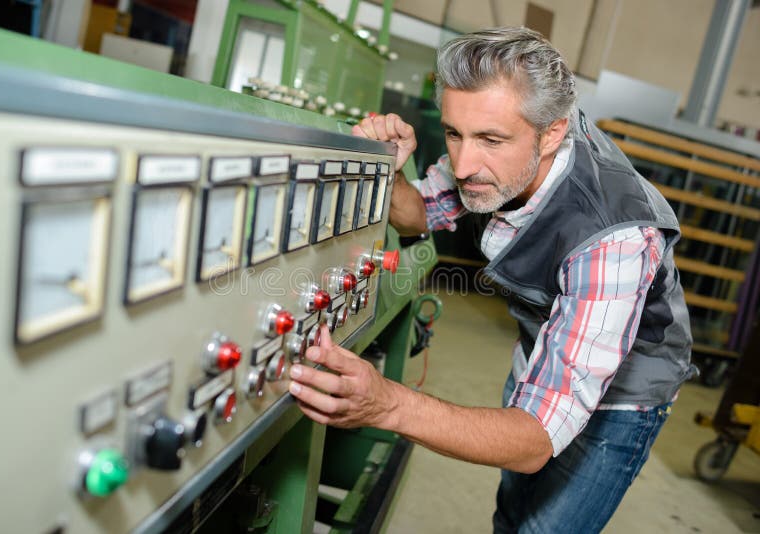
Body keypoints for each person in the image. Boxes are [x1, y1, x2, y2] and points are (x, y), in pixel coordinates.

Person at [288, 27, 695, 532]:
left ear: (552, 133)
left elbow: (534, 438)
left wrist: (387, 403)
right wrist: (390, 173)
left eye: (490, 140)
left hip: (622, 398)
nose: (462, 164)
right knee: (512, 513)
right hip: (543, 349)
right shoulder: (500, 141)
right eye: (454, 133)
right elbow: (418, 216)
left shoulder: (614, 237)